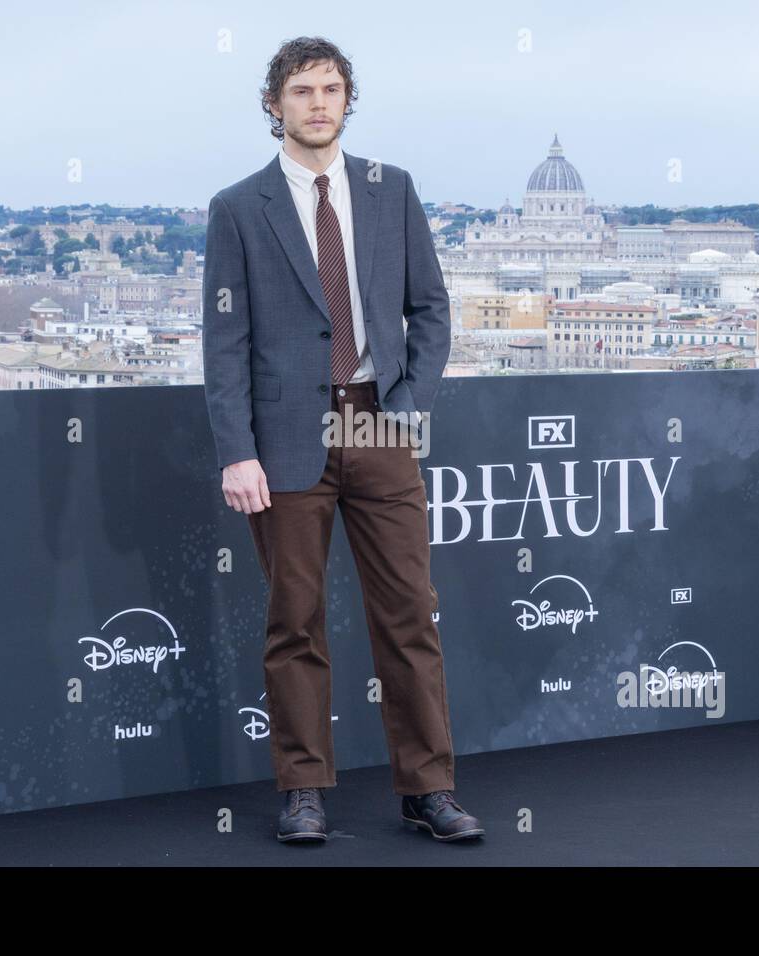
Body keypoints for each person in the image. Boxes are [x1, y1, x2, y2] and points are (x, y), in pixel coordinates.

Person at [201, 36, 483, 844]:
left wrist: (406, 404)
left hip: (377, 422)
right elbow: (223, 343)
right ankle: (303, 791)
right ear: (275, 105)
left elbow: (431, 309)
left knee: (410, 613)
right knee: (295, 619)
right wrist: (237, 450)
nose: (318, 103)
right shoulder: (238, 207)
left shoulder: (393, 190)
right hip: (284, 434)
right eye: (302, 91)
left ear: (347, 100)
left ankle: (428, 790)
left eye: (330, 89)